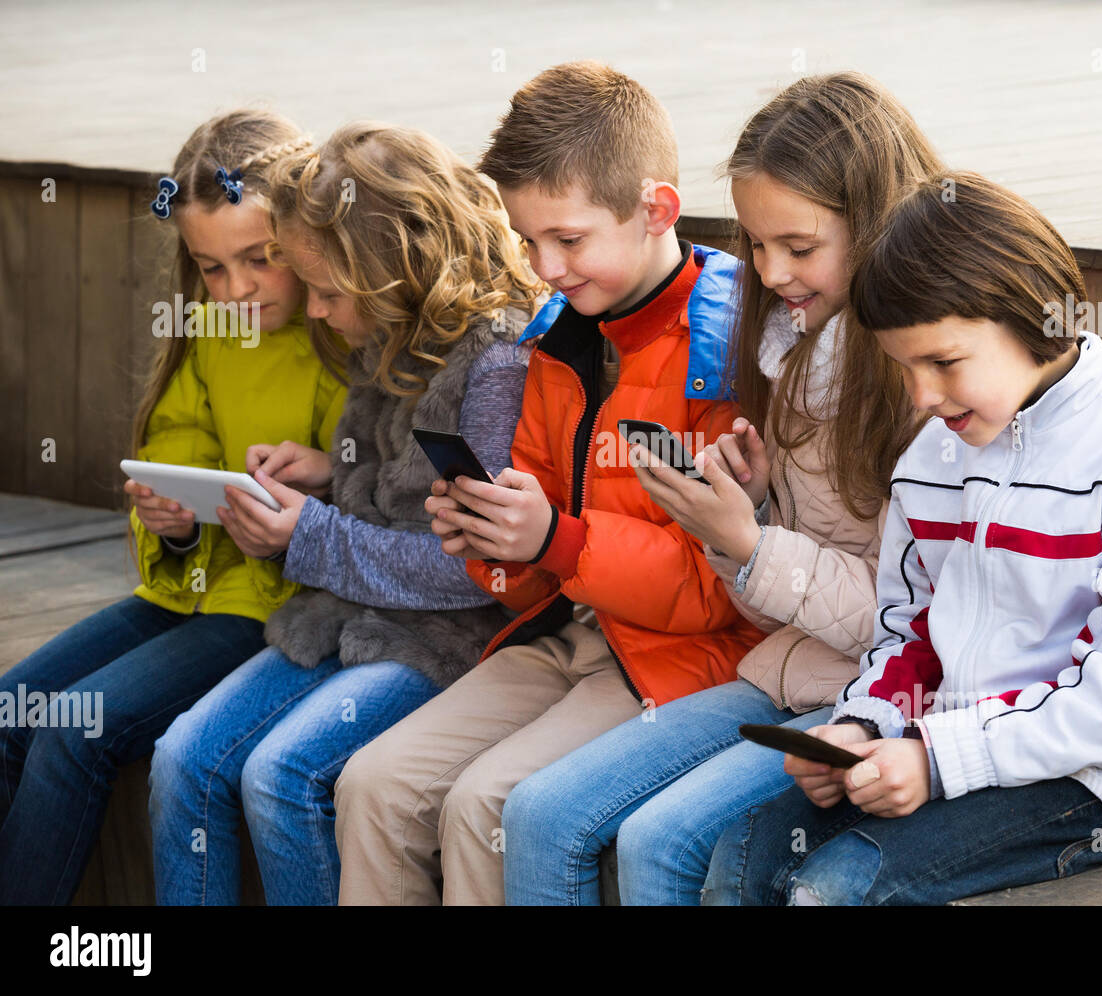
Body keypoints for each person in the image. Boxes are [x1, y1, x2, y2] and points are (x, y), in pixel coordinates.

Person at [702, 171, 1102, 906]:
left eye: (943, 363)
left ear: (1031, 317)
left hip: (1095, 783)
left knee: (838, 888)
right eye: (904, 367)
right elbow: (908, 635)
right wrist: (863, 726)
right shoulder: (932, 461)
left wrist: (934, 757)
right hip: (946, 749)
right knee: (743, 857)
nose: (921, 396)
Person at [332, 61, 765, 906]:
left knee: (485, 803)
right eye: (528, 241)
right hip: (562, 633)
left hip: (683, 660)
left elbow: (726, 584)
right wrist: (490, 543)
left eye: (567, 240)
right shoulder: (555, 340)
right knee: (373, 784)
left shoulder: (726, 352)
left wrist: (557, 540)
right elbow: (529, 571)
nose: (544, 266)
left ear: (657, 211)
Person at [501, 72, 940, 906]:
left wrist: (750, 541)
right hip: (785, 665)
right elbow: (777, 595)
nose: (770, 272)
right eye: (756, 244)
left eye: (799, 248)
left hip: (880, 696)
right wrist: (756, 510)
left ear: (879, 225)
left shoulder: (926, 381)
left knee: (656, 840)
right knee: (538, 814)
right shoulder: (784, 343)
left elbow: (910, 614)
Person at [148, 122, 539, 904]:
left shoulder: (496, 362)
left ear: (397, 268)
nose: (317, 313)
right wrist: (326, 481)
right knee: (181, 755)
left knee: (281, 775)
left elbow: (468, 573)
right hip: (344, 611)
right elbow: (392, 495)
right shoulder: (391, 331)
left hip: (449, 638)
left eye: (327, 292)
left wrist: (310, 534)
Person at [0, 109, 348, 904]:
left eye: (259, 259)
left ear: (302, 236)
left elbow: (371, 475)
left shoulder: (339, 328)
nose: (236, 288)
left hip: (275, 605)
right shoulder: (214, 327)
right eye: (211, 268)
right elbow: (181, 440)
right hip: (185, 589)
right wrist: (174, 517)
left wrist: (326, 476)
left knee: (74, 729)